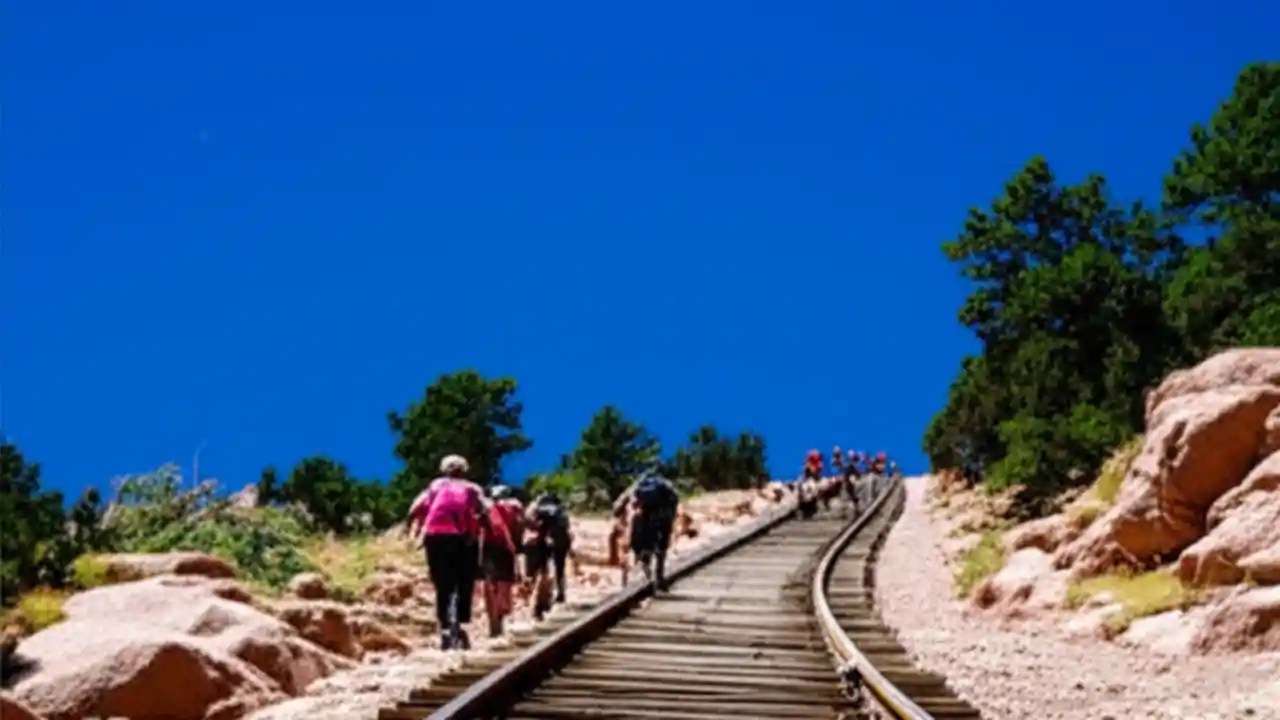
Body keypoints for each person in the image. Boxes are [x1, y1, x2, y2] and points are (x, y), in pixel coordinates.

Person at [406, 454, 488, 651]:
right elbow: (484, 511)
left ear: (444, 470)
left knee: (442, 583)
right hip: (460, 538)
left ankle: (444, 627)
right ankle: (459, 623)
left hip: (434, 537)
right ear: (465, 470)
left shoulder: (435, 486)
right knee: (464, 581)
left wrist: (411, 527)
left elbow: (414, 508)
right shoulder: (472, 488)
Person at [623, 472, 681, 592]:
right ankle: (659, 578)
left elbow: (632, 505)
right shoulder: (667, 488)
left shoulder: (640, 488)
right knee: (662, 549)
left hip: (649, 519)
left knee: (646, 546)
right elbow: (675, 504)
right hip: (665, 518)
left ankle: (646, 578)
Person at [480, 484, 523, 637]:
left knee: (489, 582)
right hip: (505, 546)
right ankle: (500, 618)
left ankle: (493, 622)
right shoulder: (514, 507)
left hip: (486, 546)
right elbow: (517, 529)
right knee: (504, 584)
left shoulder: (485, 507)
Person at [524, 490, 573, 619]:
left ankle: (537, 600)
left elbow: (531, 523)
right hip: (560, 541)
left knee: (542, 570)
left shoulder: (537, 509)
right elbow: (567, 528)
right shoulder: (560, 511)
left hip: (543, 542)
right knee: (559, 568)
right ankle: (560, 593)